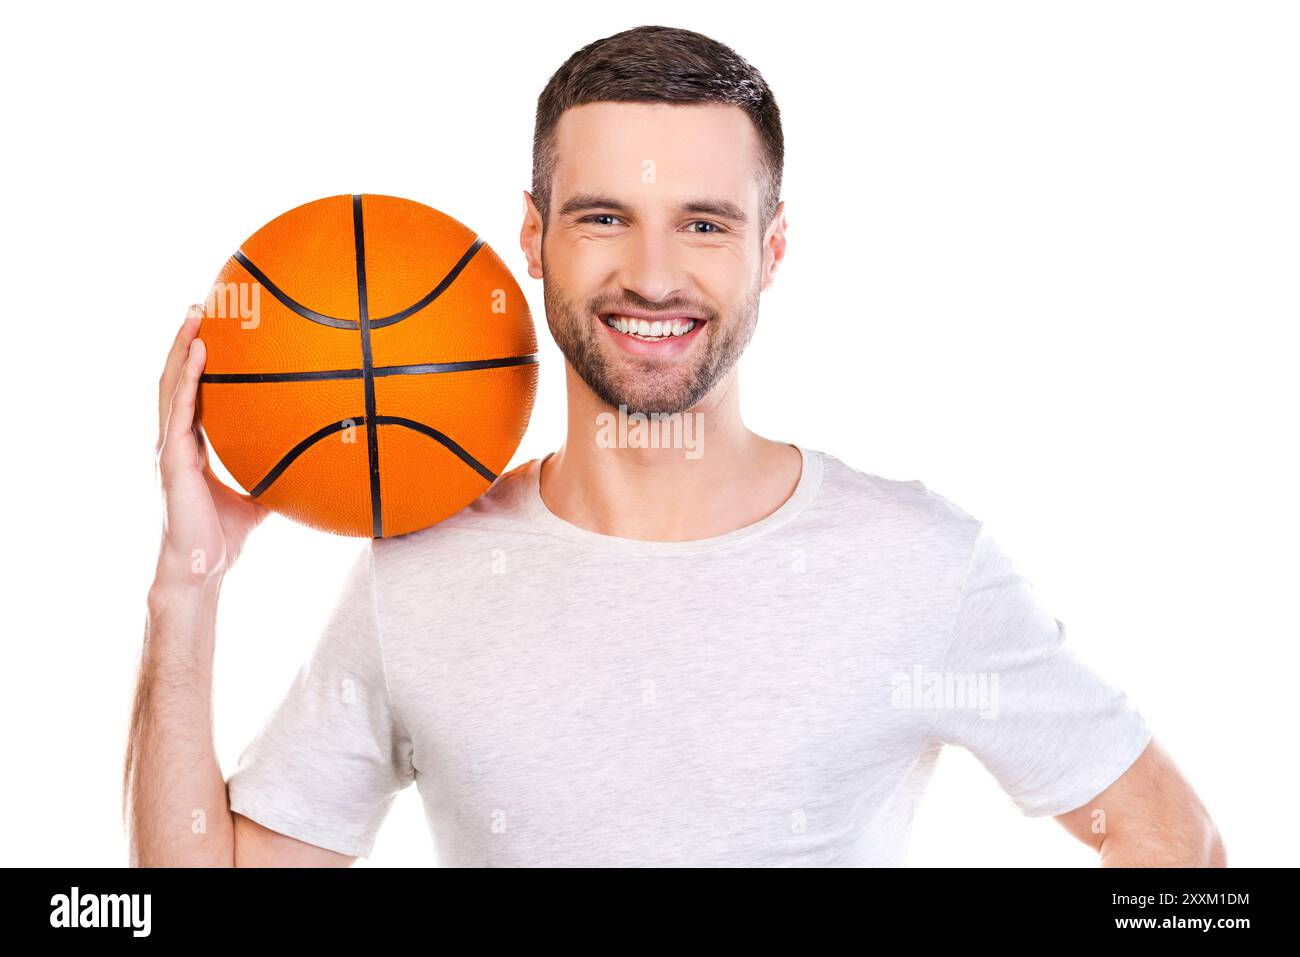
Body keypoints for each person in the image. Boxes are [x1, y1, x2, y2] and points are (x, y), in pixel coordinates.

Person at [127, 25, 1224, 867]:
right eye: (603, 216)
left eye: (704, 223)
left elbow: (1175, 851)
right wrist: (191, 577)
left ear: (772, 247)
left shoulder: (921, 566)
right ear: (532, 238)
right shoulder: (420, 569)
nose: (653, 275)